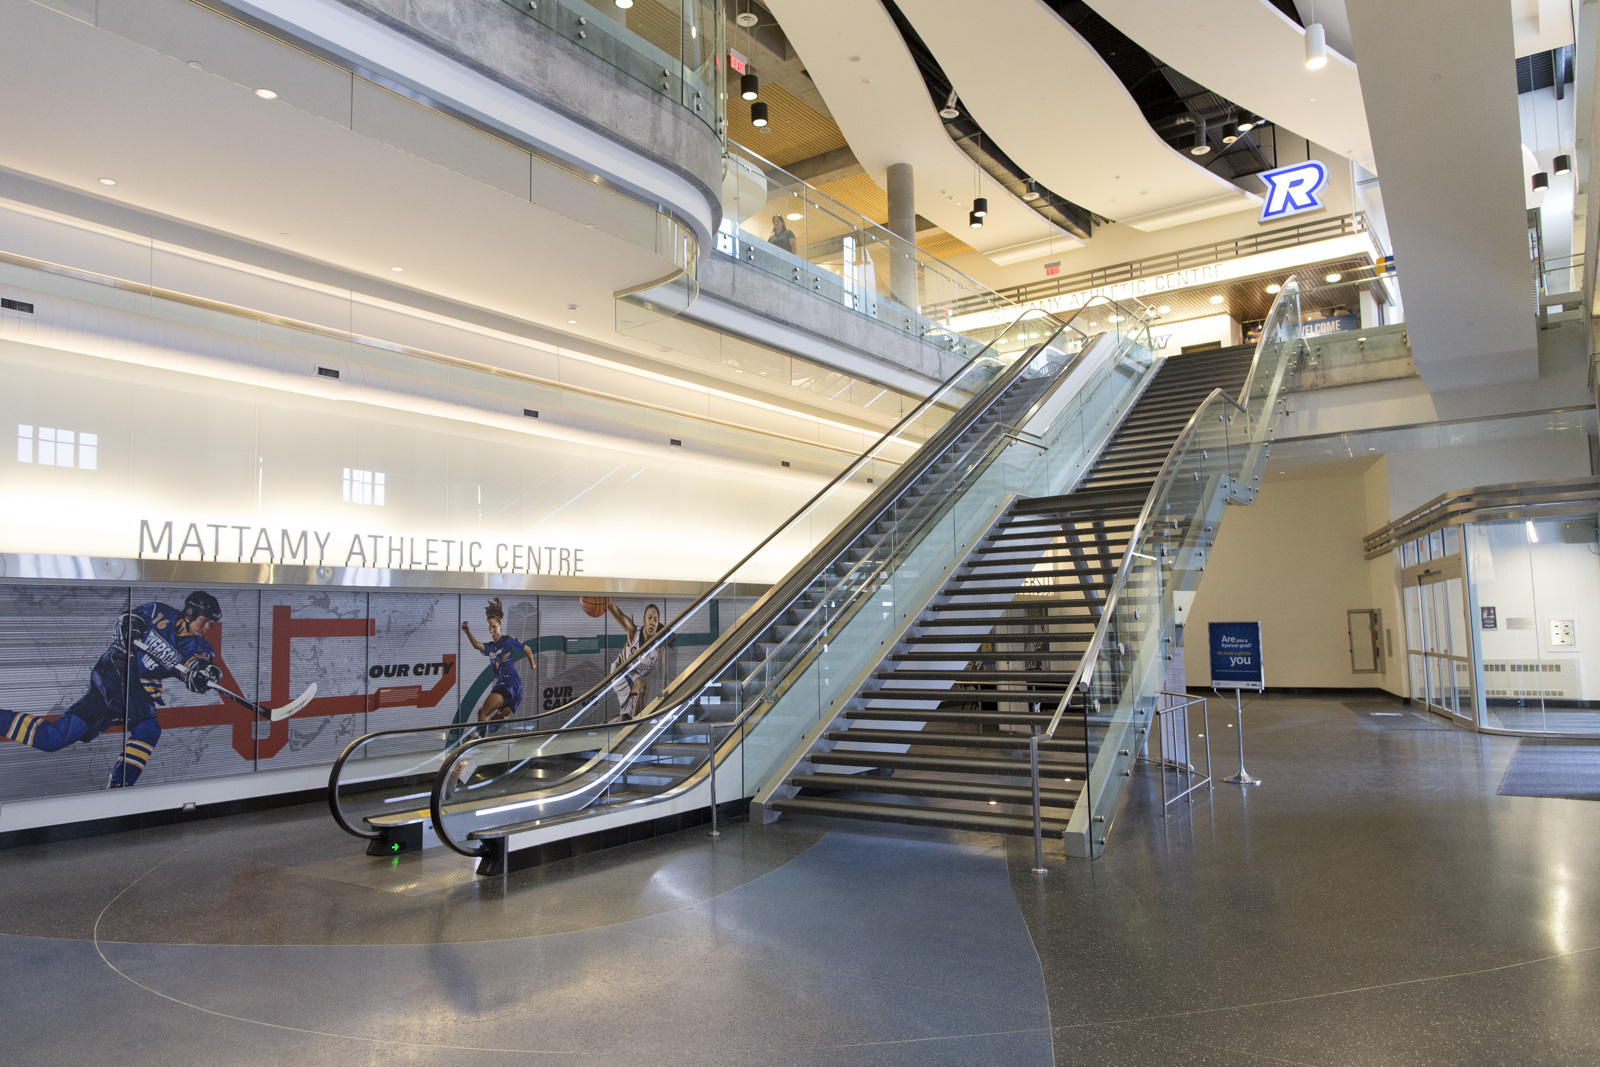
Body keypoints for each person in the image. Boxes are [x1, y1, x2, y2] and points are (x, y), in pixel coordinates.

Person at [0, 591, 223, 788]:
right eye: (204, 621)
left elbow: (197, 665)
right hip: (117, 669)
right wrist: (130, 627)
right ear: (190, 612)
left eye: (210, 624)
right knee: (148, 730)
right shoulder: (158, 611)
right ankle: (120, 787)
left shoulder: (201, 647)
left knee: (53, 739)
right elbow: (129, 618)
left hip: (125, 688)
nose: (206, 628)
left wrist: (202, 675)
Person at [460, 598, 536, 727]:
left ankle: (477, 744)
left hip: (509, 682)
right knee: (492, 723)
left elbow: (527, 649)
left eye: (494, 627)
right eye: (489, 628)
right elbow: (476, 645)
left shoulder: (507, 640)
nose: (492, 631)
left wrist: (532, 664)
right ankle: (485, 739)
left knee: (481, 714)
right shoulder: (490, 647)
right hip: (513, 688)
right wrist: (467, 632)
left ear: (500, 625)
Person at [606, 599, 663, 722]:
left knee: (626, 718)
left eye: (655, 619)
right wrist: (605, 599)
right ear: (644, 621)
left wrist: (666, 689)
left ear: (658, 624)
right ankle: (636, 727)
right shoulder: (633, 632)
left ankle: (608, 724)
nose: (652, 622)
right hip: (620, 672)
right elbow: (617, 612)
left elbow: (663, 673)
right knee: (643, 686)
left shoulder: (658, 648)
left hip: (633, 678)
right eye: (649, 618)